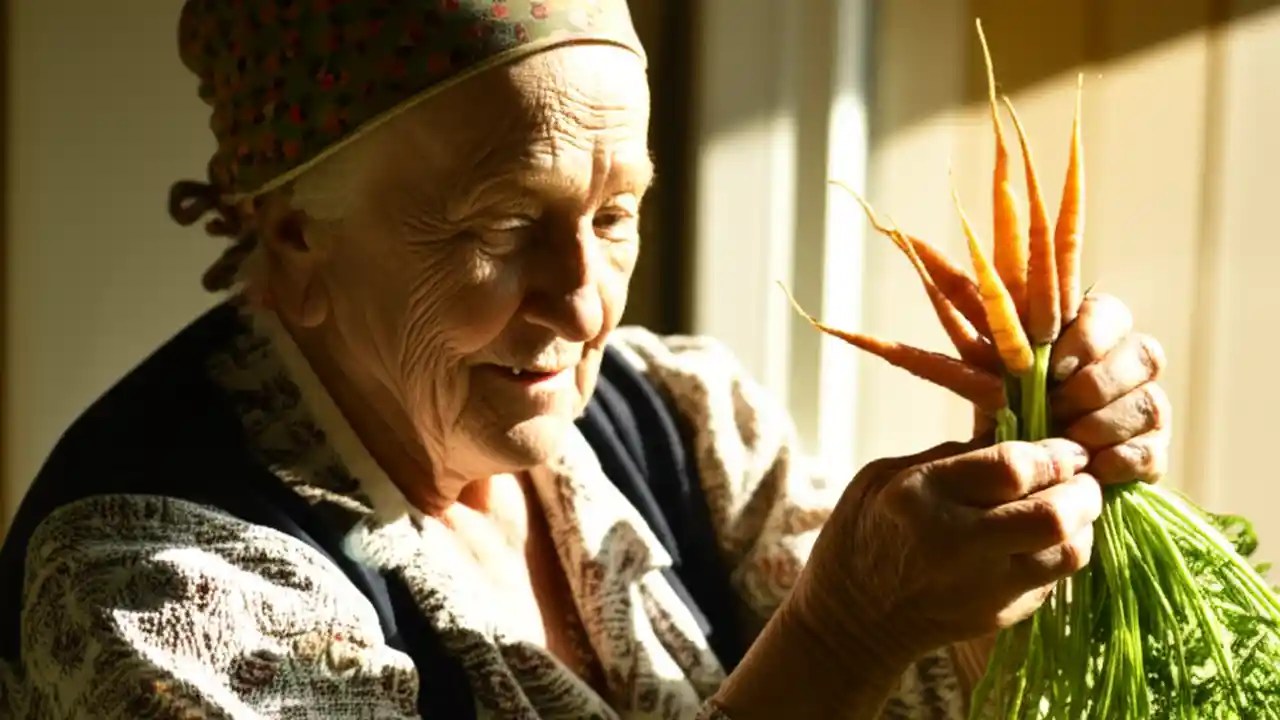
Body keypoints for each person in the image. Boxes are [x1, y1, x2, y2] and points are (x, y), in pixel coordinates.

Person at [0, 2, 1170, 718]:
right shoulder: (156, 580)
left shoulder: (683, 422)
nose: (584, 302)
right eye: (505, 224)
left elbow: (932, 704)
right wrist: (841, 636)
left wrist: (1021, 525)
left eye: (614, 216)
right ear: (297, 238)